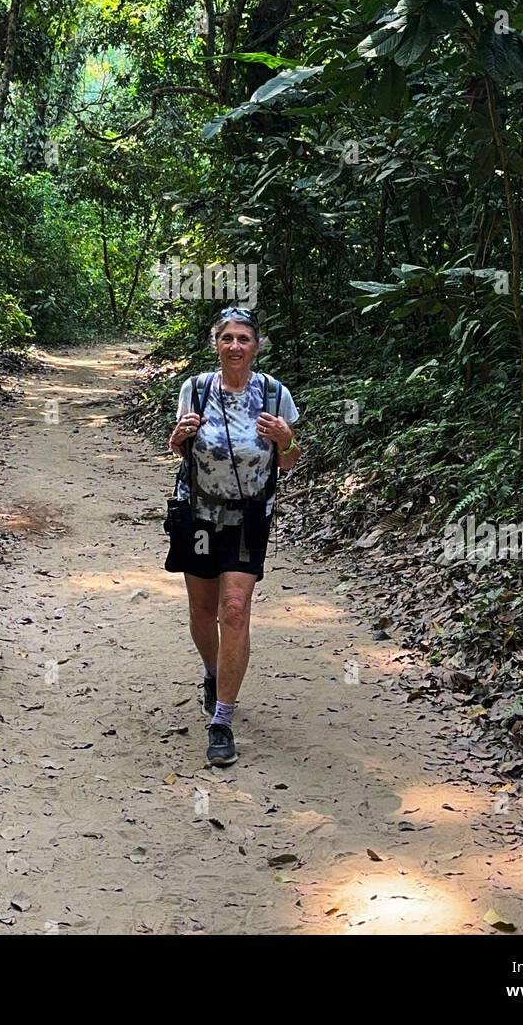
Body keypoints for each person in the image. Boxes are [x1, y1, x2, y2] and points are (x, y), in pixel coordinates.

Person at [167, 306, 300, 767]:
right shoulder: (196, 388)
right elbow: (178, 450)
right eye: (228, 338)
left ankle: (221, 720)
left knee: (235, 609)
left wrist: (285, 439)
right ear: (216, 344)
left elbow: (289, 461)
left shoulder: (274, 393)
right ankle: (211, 671)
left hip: (248, 518)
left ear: (256, 346)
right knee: (203, 610)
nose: (236, 346)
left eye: (245, 338)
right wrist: (177, 435)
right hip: (199, 514)